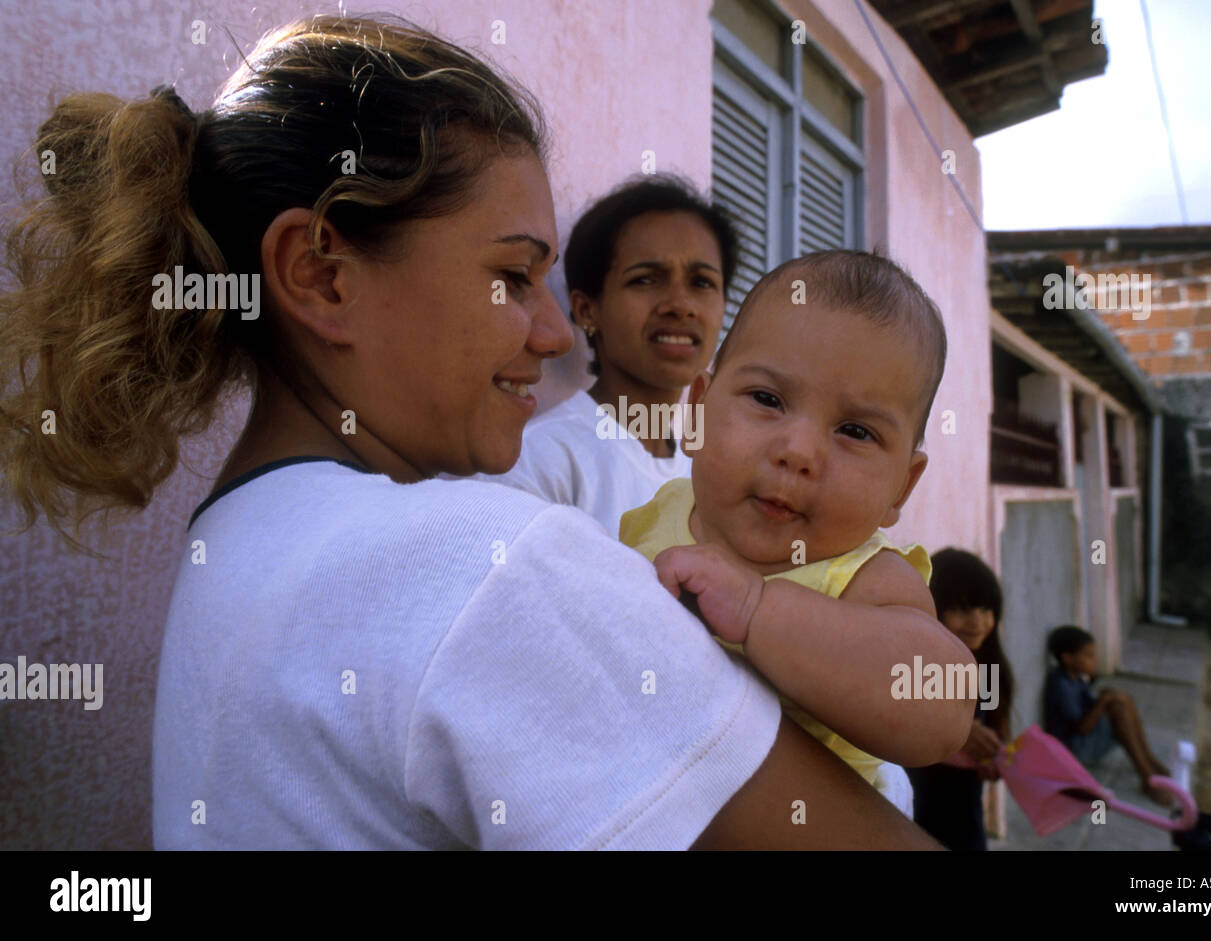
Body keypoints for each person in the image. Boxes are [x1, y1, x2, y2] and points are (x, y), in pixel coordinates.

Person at [0, 14, 943, 849]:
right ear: (322, 275)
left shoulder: (236, 536)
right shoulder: (481, 568)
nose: (551, 331)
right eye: (513, 276)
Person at [620, 250, 976, 800]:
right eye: (767, 399)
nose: (799, 451)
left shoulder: (862, 578)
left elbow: (944, 704)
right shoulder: (658, 514)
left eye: (855, 432)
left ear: (900, 489)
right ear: (695, 415)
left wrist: (757, 610)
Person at [482, 175, 737, 536]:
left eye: (702, 283)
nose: (681, 305)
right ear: (587, 310)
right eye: (646, 279)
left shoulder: (704, 476)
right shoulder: (542, 464)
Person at [905, 548, 1015, 851]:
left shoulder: (989, 667)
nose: (977, 621)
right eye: (963, 609)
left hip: (963, 808)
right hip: (914, 803)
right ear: (933, 607)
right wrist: (959, 730)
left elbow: (994, 726)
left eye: (985, 609)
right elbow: (901, 721)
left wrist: (995, 758)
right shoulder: (914, 665)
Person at [1045, 625, 1173, 805]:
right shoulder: (1061, 685)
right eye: (1088, 656)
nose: (1094, 661)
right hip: (1074, 750)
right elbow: (1081, 728)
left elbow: (1091, 706)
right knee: (1117, 708)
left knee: (1123, 699)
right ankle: (1147, 777)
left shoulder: (1076, 679)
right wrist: (1103, 702)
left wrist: (1106, 696)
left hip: (1083, 742)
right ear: (1067, 658)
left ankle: (1150, 762)